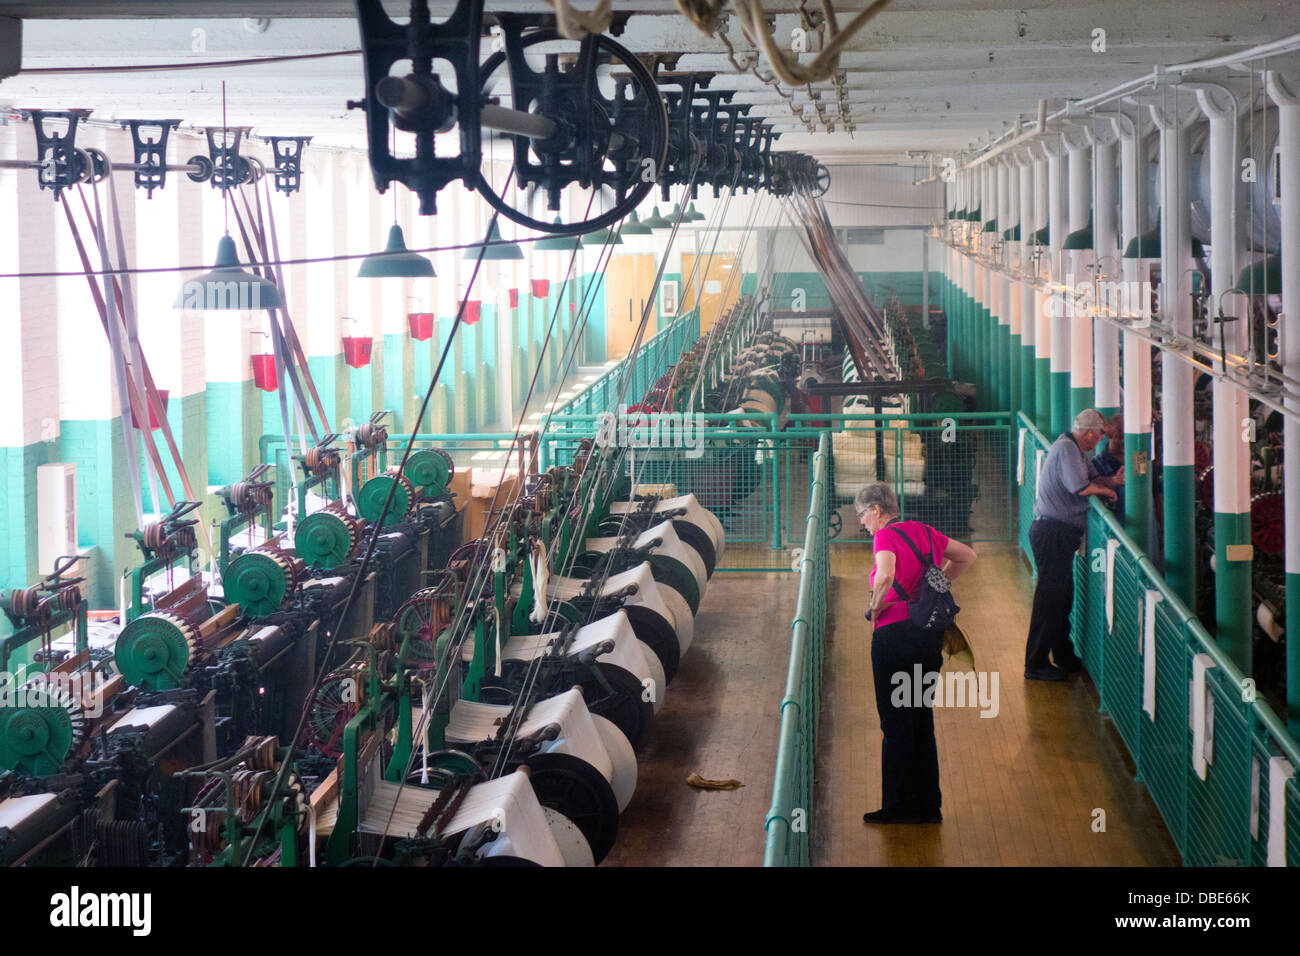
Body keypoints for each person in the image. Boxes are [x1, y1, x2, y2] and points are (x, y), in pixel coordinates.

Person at [857, 482, 977, 825]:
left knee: (895, 723)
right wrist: (937, 587)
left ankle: (897, 806)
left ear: (877, 510)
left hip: (894, 637)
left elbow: (886, 574)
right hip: (928, 637)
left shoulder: (885, 536)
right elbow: (968, 555)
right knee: (920, 719)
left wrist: (874, 608)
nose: (863, 523)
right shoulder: (926, 531)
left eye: (863, 515)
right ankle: (927, 806)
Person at [1024, 409, 1125, 681]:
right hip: (1053, 533)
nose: (1102, 439)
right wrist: (1107, 491)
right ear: (1090, 432)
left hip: (1056, 533)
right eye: (1101, 434)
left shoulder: (1076, 451)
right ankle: (1035, 663)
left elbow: (1092, 478)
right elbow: (1079, 488)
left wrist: (1112, 480)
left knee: (1061, 598)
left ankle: (1062, 655)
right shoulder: (1068, 450)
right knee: (1050, 600)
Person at [1093, 412, 1125, 520]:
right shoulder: (1097, 464)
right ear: (1109, 435)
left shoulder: (1139, 463)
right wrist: (1113, 482)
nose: (1125, 442)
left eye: (1128, 437)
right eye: (1120, 437)